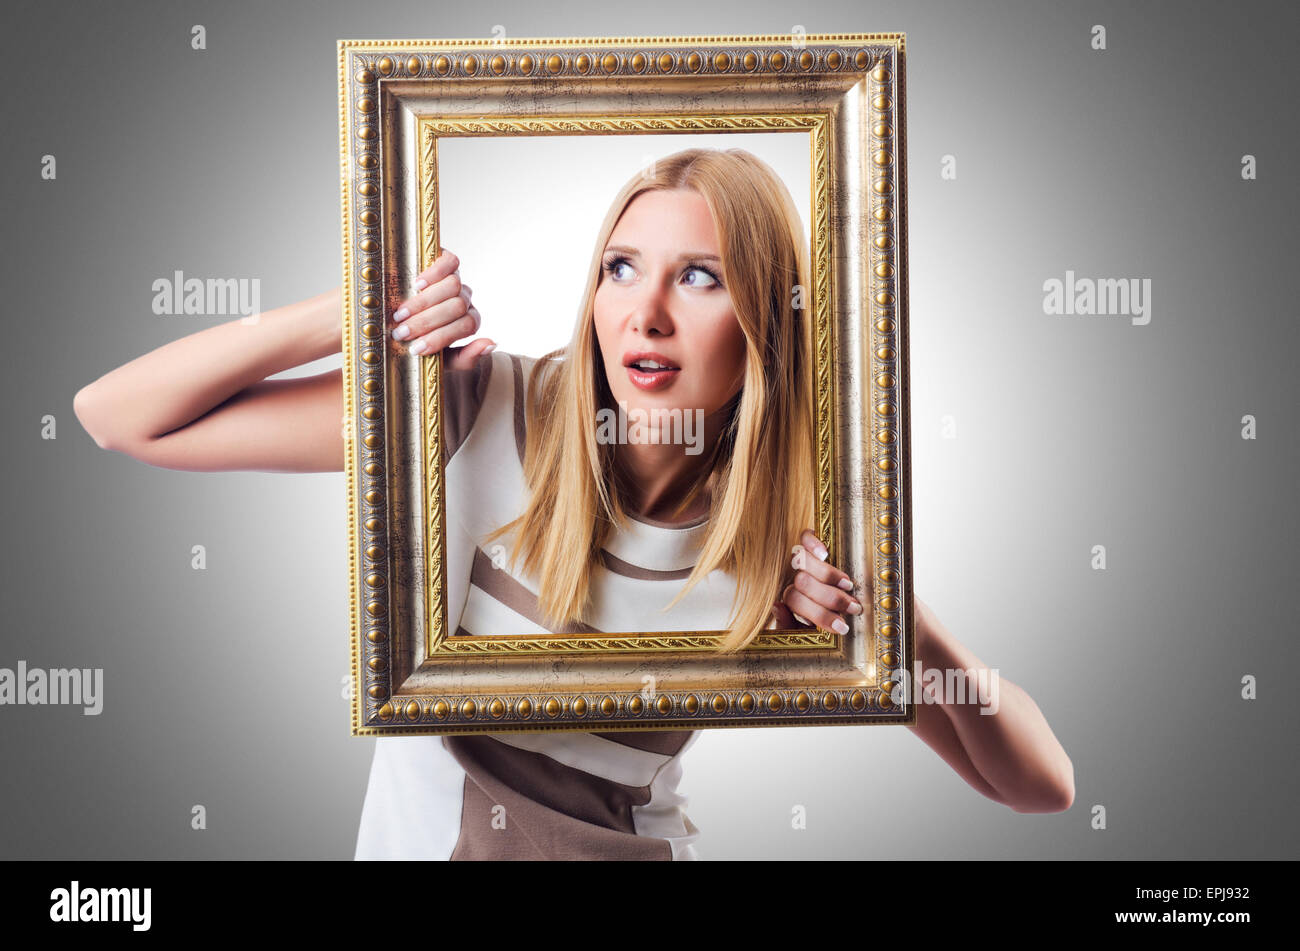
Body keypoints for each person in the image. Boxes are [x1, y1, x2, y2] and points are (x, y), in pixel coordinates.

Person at [74, 147, 1074, 861]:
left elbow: (1036, 786)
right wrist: (358, 308)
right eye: (620, 268)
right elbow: (120, 416)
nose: (644, 313)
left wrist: (884, 610)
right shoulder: (473, 408)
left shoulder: (787, 539)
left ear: (766, 321)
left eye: (701, 279)